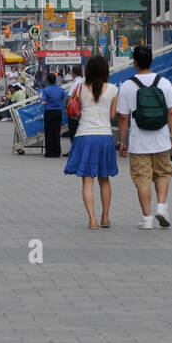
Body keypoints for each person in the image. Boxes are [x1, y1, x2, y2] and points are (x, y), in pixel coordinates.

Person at [116, 45, 172, 230]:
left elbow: (123, 117)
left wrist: (122, 141)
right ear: (151, 60)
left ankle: (147, 219)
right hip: (161, 140)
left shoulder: (127, 85)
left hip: (138, 143)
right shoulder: (164, 82)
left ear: (134, 62)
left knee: (142, 179)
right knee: (163, 173)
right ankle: (161, 206)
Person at [62, 55, 117, 228]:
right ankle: (105, 217)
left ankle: (92, 219)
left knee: (87, 181)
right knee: (104, 179)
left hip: (84, 135)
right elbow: (113, 115)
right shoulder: (114, 90)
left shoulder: (80, 88)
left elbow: (69, 108)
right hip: (105, 136)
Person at [40, 73, 66, 158]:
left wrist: (48, 101)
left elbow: (43, 102)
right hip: (58, 112)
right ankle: (57, 151)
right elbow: (62, 99)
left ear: (48, 80)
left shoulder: (46, 90)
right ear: (55, 80)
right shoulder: (60, 89)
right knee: (57, 132)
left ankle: (49, 152)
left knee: (49, 132)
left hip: (49, 112)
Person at [64, 64, 83, 139]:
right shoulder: (83, 82)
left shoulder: (75, 84)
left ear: (73, 73)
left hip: (74, 113)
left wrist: (66, 108)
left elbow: (69, 98)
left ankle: (74, 149)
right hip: (82, 111)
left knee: (73, 132)